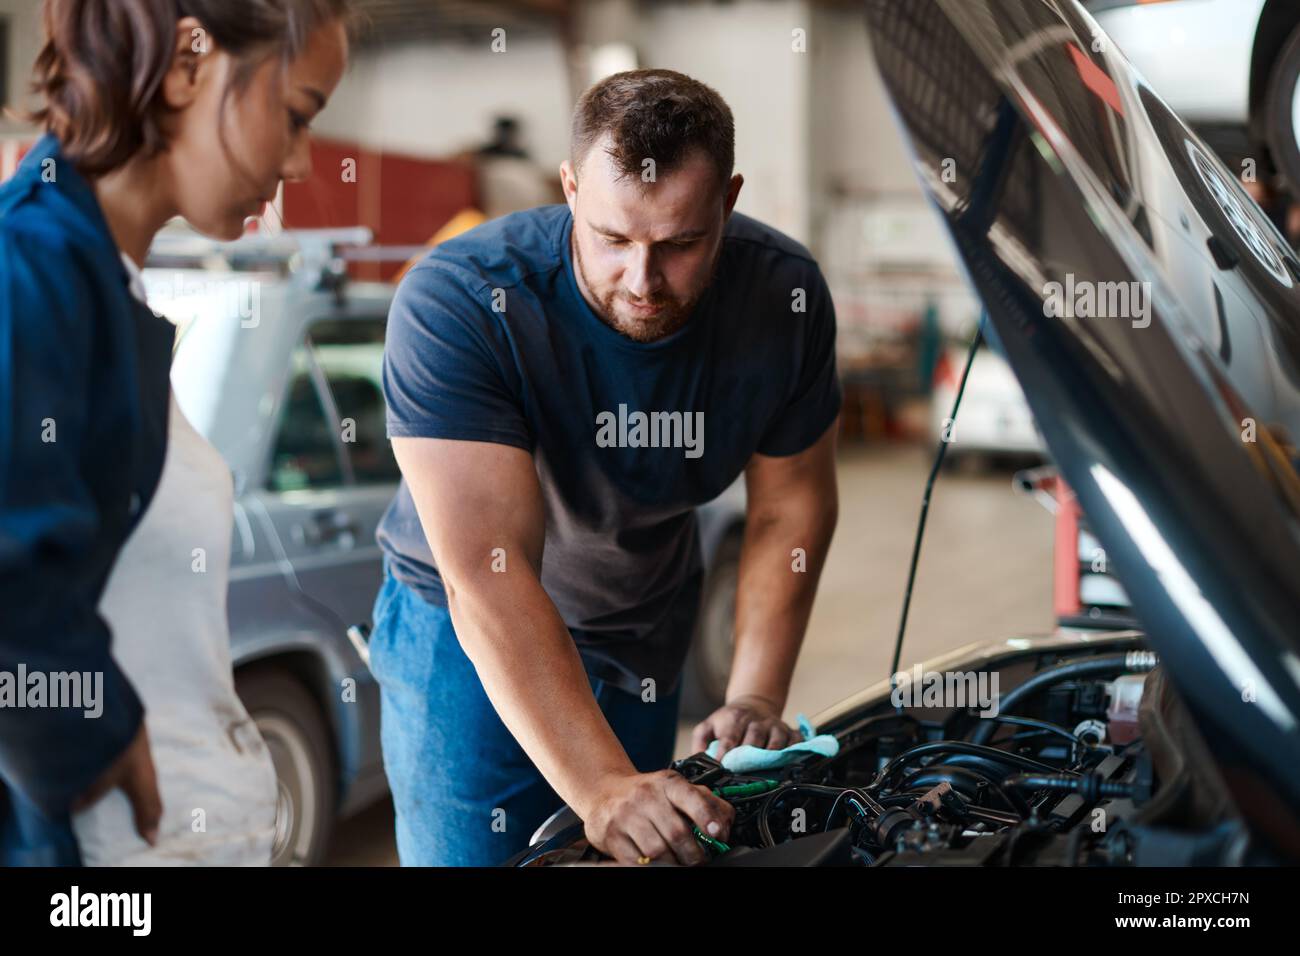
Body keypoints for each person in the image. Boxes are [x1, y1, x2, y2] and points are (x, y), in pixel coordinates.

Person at [373, 68, 842, 866]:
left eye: (681, 244)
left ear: (727, 203)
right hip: (464, 642)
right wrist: (598, 785)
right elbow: (488, 569)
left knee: (651, 849)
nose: (642, 279)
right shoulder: (461, 301)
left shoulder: (783, 298)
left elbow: (788, 508)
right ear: (568, 188)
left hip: (640, 624)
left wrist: (756, 694)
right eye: (613, 238)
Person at [0, 0, 350, 866]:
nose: (300, 160)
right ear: (190, 61)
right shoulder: (31, 271)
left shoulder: (102, 283)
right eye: (297, 113)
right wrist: (91, 732)